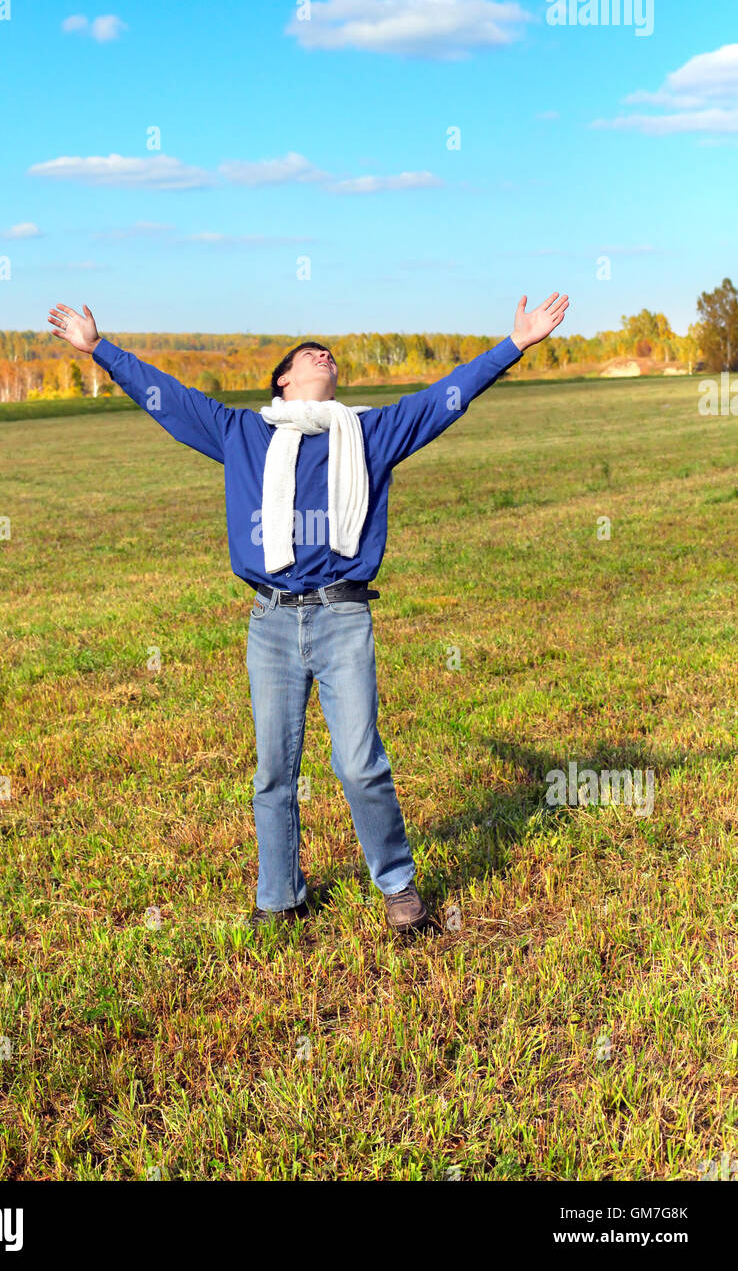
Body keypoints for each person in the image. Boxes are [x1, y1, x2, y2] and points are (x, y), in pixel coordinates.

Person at [47, 293, 569, 934]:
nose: (325, 354)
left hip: (342, 616)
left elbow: (445, 398)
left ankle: (398, 888)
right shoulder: (242, 434)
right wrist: (99, 349)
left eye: (330, 354)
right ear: (284, 380)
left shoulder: (368, 433)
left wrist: (514, 345)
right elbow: (171, 398)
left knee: (358, 762)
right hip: (270, 622)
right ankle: (281, 897)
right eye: (308, 353)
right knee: (274, 771)